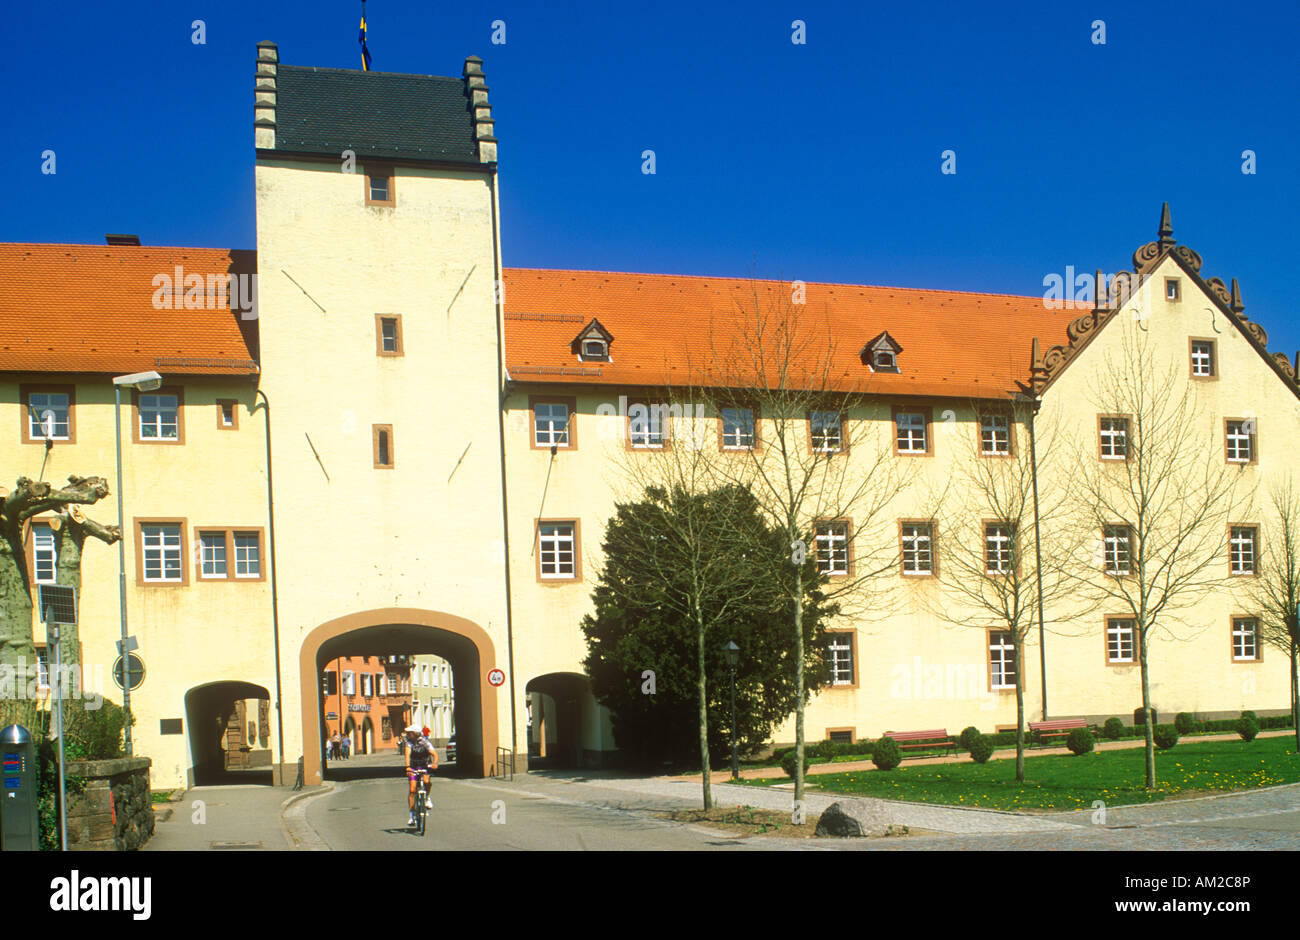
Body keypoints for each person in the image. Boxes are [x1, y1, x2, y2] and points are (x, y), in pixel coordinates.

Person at [403, 723, 437, 827]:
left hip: (424, 765)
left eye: (410, 733)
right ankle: (412, 815)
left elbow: (434, 754)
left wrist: (435, 763)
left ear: (415, 733)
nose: (408, 734)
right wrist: (408, 767)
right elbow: (407, 754)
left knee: (427, 782)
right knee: (412, 790)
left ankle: (427, 798)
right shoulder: (409, 743)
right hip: (413, 766)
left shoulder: (425, 742)